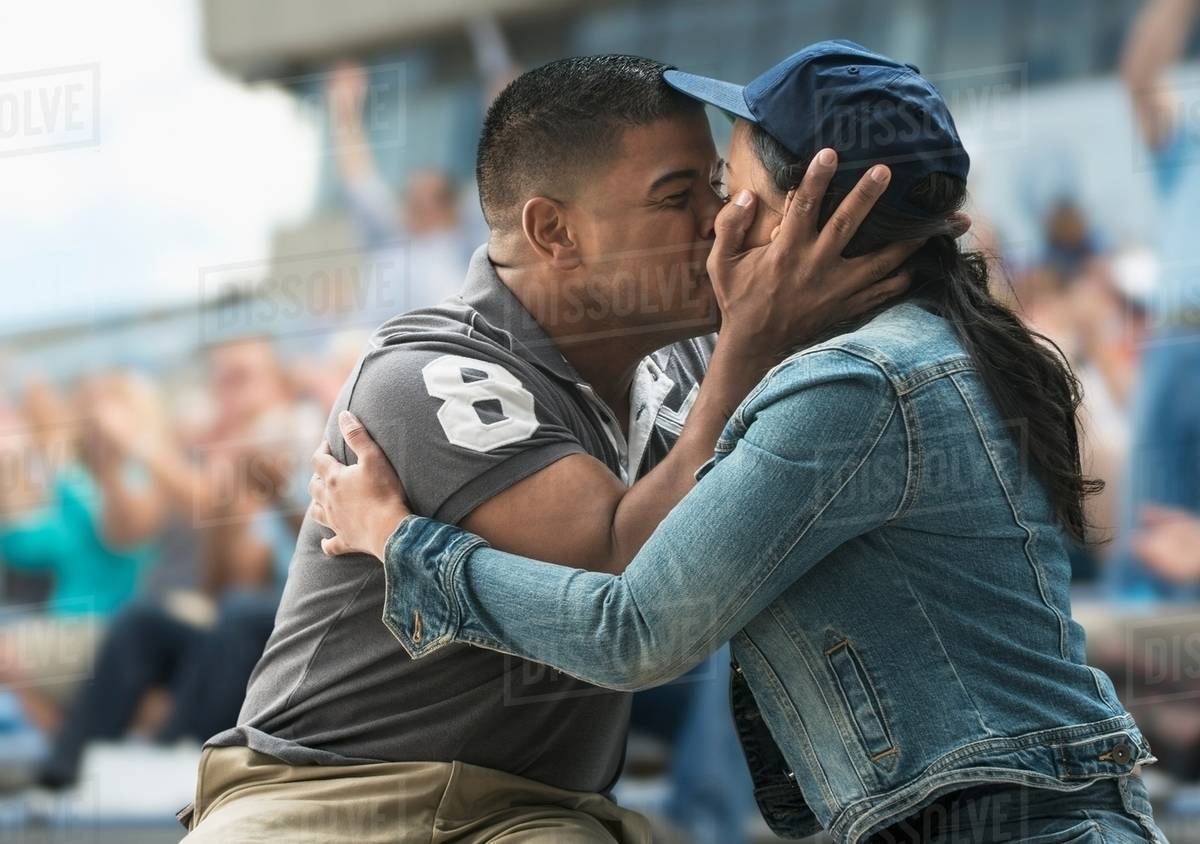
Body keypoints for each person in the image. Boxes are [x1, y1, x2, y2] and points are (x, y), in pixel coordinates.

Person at [310, 43, 1167, 843]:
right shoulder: (911, 347)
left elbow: (633, 630)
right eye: (693, 192)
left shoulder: (858, 383)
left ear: (804, 213)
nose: (721, 217)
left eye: (731, 185)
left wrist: (403, 546)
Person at [183, 54, 915, 843]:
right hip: (327, 798)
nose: (720, 217)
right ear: (554, 232)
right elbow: (619, 580)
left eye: (714, 183)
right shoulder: (427, 374)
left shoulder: (691, 362)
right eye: (677, 196)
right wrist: (748, 350)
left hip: (537, 813)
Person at [1113, 0, 1200, 600]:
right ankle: (1145, 652)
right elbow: (1140, 76)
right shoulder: (1185, 148)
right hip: (1176, 340)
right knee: (1151, 524)